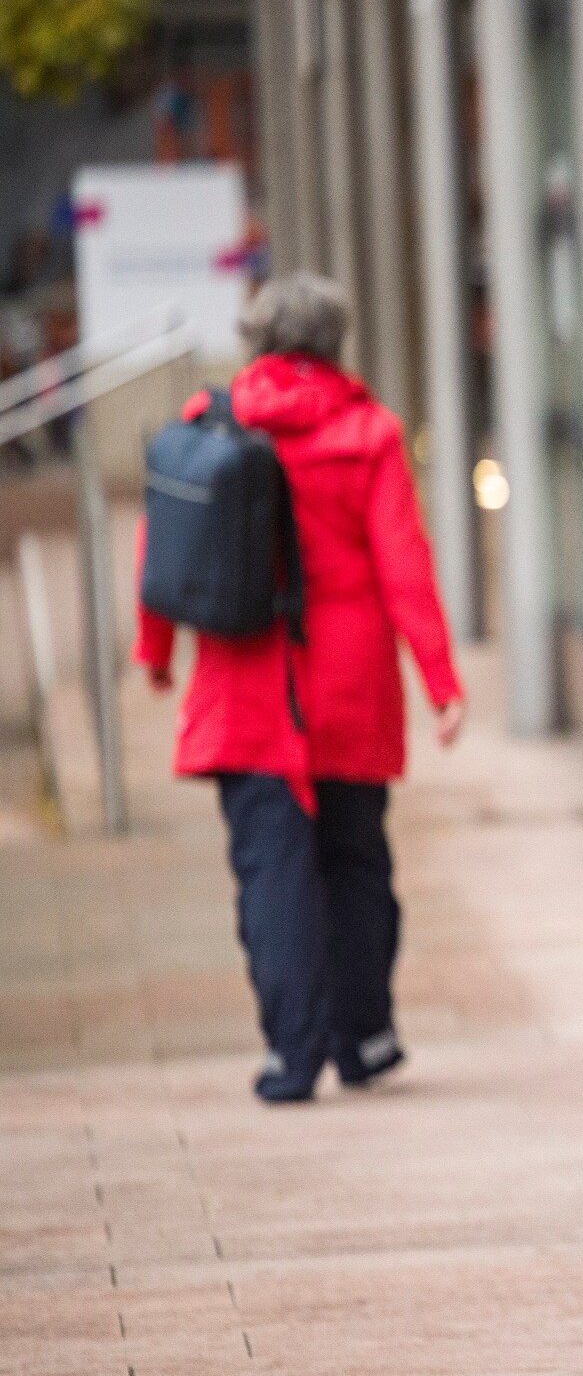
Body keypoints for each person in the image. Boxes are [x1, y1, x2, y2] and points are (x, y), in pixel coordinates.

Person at [134, 274, 464, 1104]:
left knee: (271, 871)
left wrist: (157, 650)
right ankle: (366, 1035)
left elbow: (163, 550)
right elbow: (403, 563)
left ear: (256, 340)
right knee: (354, 860)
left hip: (245, 678)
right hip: (348, 677)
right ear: (335, 342)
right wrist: (439, 679)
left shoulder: (208, 427)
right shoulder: (368, 432)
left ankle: (293, 1054)